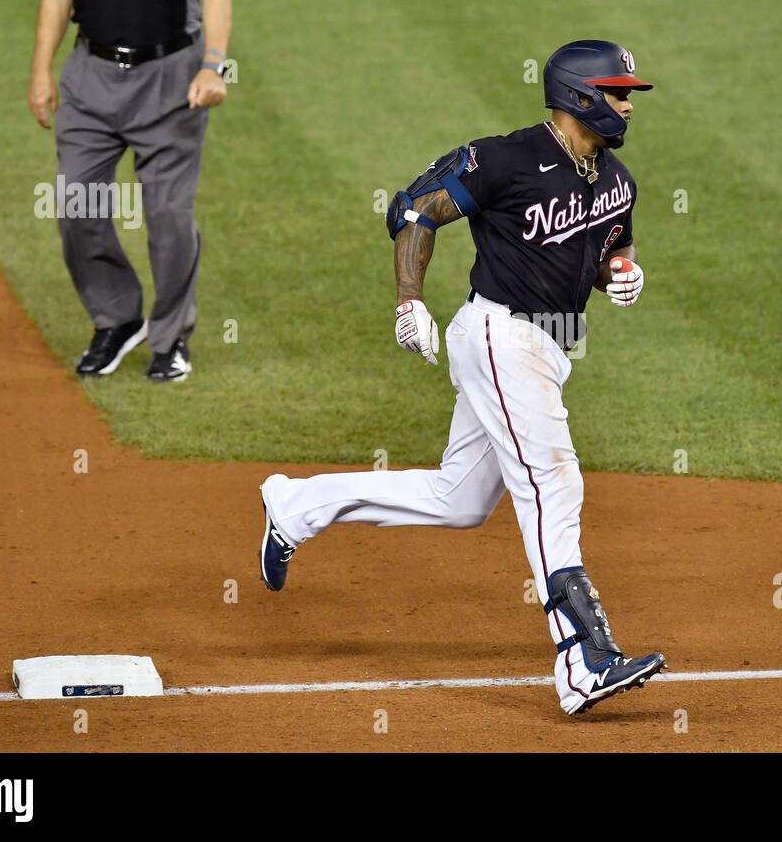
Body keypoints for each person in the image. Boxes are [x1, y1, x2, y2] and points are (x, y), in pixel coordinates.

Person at [258, 40, 665, 715]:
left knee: (460, 499)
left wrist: (620, 272)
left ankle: (295, 507)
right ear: (580, 95)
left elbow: (606, 246)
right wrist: (410, 298)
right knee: (553, 482)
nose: (627, 104)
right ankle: (583, 659)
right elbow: (414, 208)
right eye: (618, 91)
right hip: (500, 335)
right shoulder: (506, 159)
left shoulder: (617, 181)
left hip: (547, 352)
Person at [28, 0, 238, 382]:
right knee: (76, 205)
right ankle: (116, 319)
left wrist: (213, 66)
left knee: (167, 215)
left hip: (171, 81)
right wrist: (41, 69)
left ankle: (170, 339)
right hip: (91, 78)